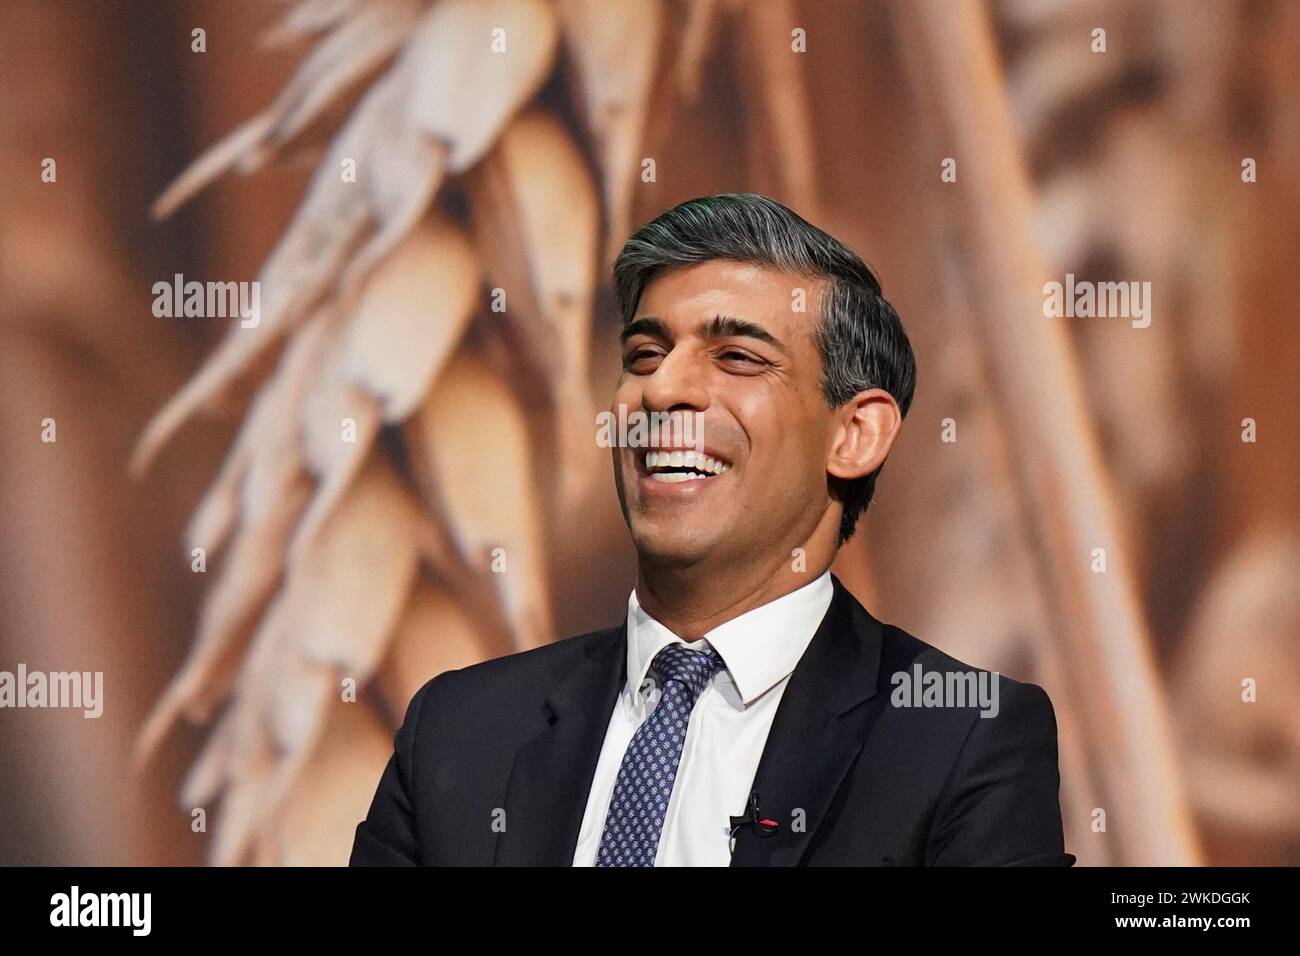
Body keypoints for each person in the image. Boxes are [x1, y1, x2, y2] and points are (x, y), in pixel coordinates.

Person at [350, 192, 1074, 867]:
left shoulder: (963, 740)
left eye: (737, 357)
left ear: (855, 434)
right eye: (644, 355)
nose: (662, 389)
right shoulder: (458, 730)